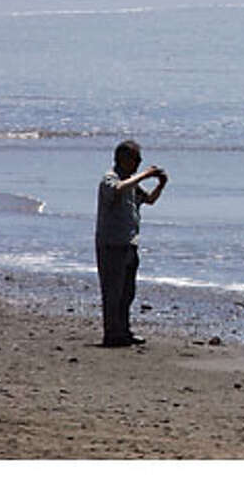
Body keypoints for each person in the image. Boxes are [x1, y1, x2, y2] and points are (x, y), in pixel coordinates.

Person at [95, 139, 167, 347]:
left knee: (127, 293)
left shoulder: (132, 182)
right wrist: (144, 175)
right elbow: (116, 189)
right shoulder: (110, 179)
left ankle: (123, 330)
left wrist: (160, 184)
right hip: (111, 244)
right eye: (136, 159)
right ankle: (111, 334)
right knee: (112, 292)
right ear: (124, 159)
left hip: (129, 243)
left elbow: (149, 200)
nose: (138, 163)